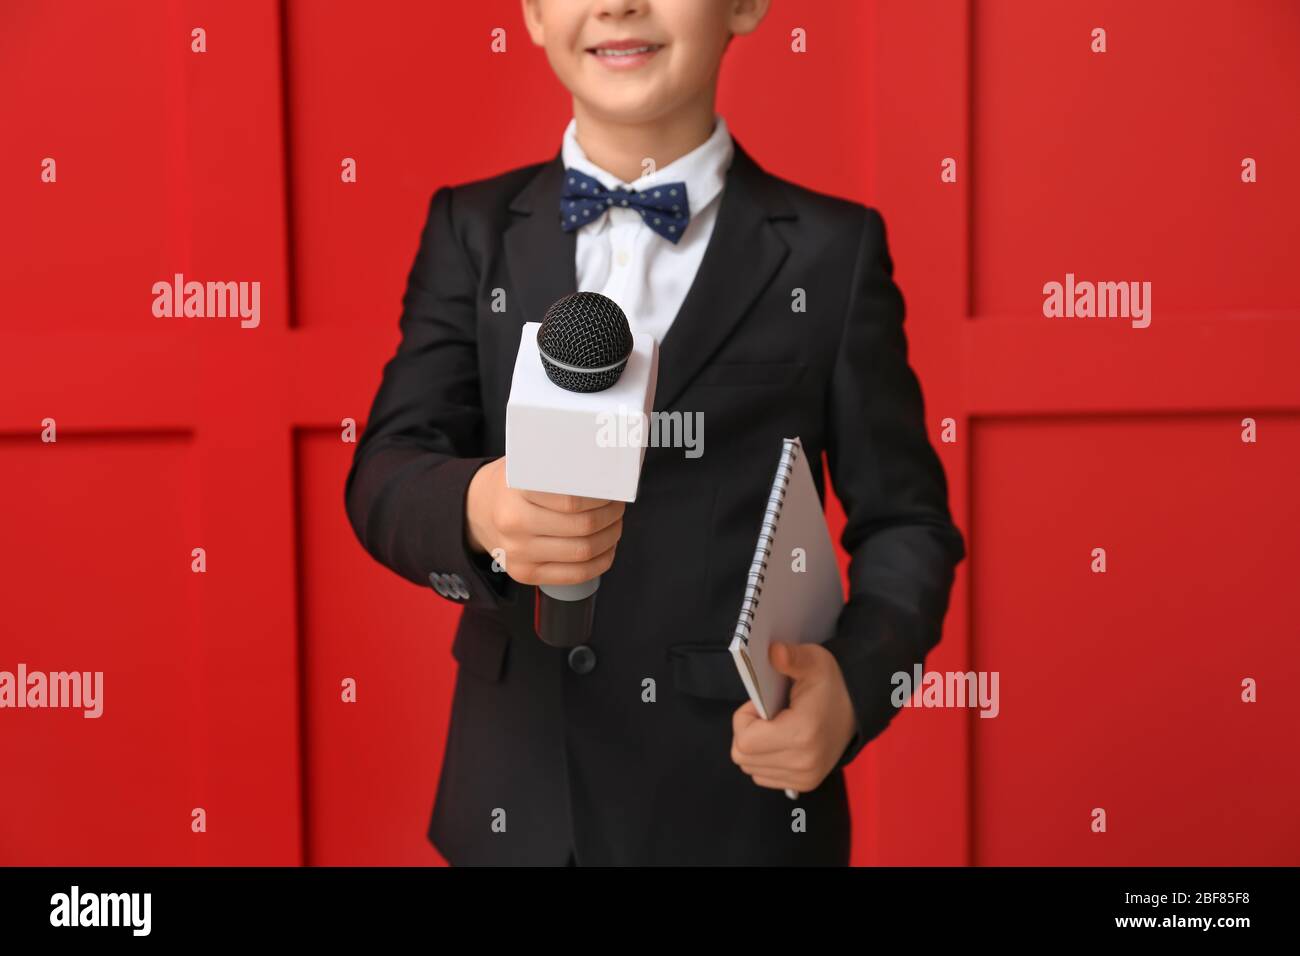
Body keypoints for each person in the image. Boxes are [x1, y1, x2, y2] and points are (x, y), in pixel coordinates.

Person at [344, 0, 965, 866]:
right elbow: (386, 469)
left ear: (745, 6)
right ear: (528, 12)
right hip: (517, 804)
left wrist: (856, 690)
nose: (617, 3)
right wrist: (479, 507)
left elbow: (907, 523)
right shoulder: (469, 230)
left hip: (738, 811)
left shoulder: (833, 252)